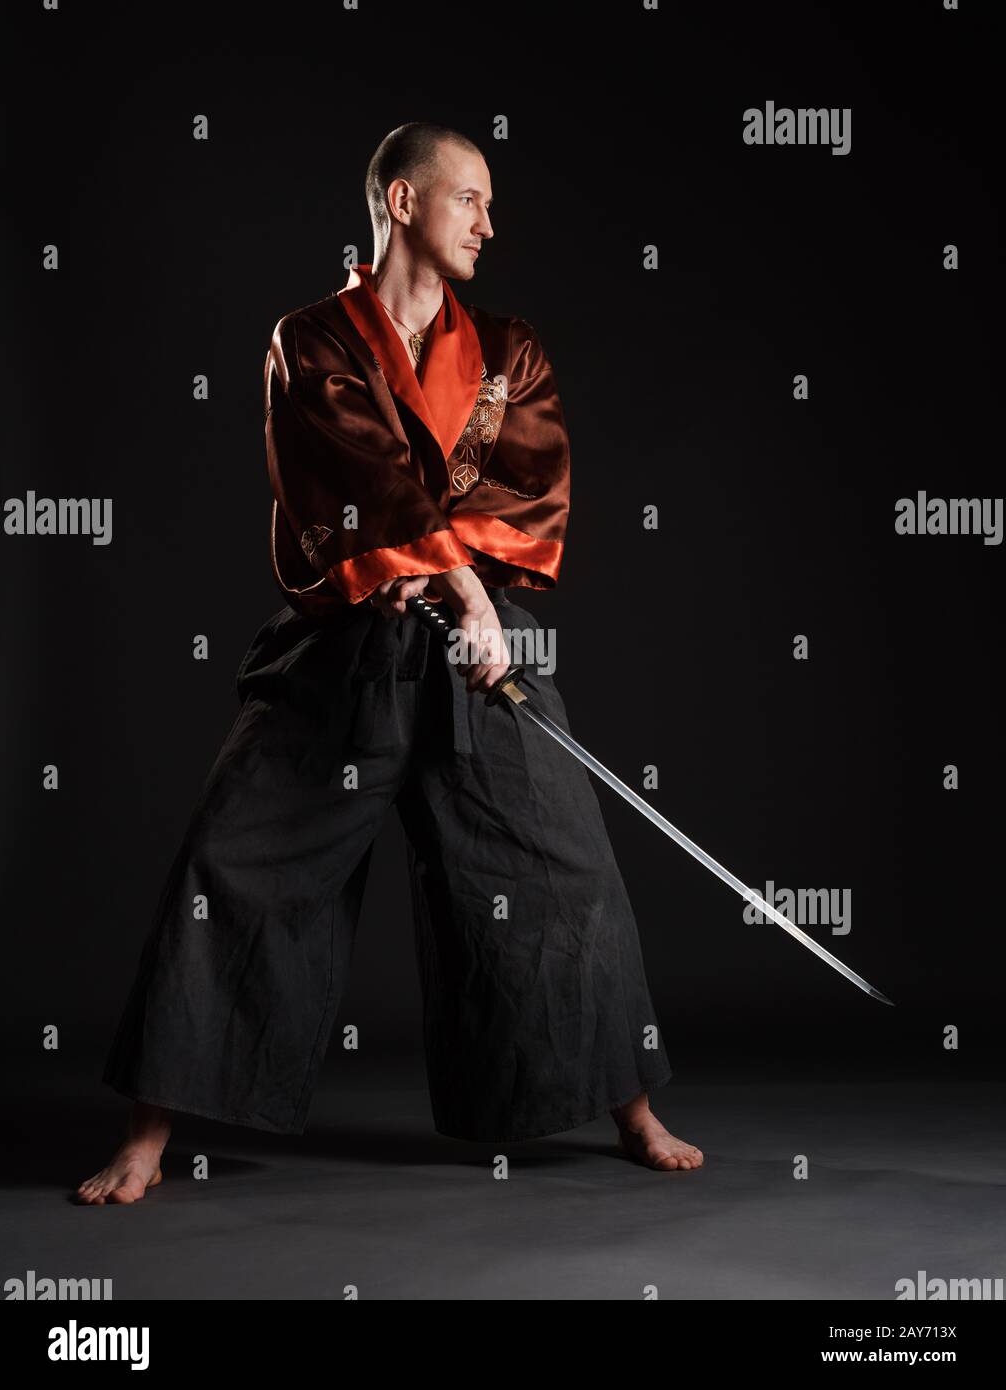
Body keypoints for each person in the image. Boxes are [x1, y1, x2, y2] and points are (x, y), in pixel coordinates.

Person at [77, 122, 702, 1205]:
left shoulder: (510, 352)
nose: (490, 225)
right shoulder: (309, 337)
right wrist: (445, 576)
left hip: (475, 658)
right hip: (343, 657)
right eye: (472, 201)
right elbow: (349, 471)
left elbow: (529, 493)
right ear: (405, 203)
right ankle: (147, 1133)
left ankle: (633, 1109)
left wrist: (460, 587)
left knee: (568, 878)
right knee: (233, 868)